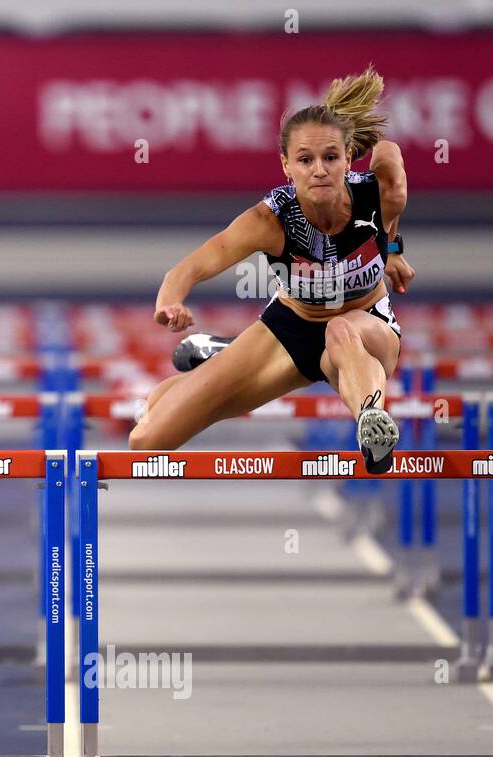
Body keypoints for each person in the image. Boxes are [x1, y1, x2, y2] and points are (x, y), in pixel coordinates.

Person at [132, 66, 416, 474]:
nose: (319, 170)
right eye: (305, 160)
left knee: (341, 331)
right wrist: (170, 301)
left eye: (330, 157)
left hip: (368, 327)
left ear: (348, 158)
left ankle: (372, 421)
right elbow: (191, 266)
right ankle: (226, 356)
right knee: (146, 440)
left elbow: (389, 152)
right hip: (291, 330)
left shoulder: (380, 192)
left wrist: (392, 249)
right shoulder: (270, 220)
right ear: (286, 166)